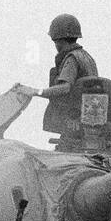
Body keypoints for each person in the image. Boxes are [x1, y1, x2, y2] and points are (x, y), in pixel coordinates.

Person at [30, 14, 99, 143]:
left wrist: (35, 92)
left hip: (74, 125)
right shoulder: (87, 57)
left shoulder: (72, 58)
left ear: (58, 40)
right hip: (88, 124)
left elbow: (65, 88)